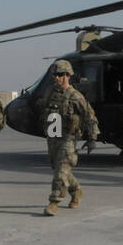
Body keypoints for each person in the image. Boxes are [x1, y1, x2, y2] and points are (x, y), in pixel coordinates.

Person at [41, 60, 99, 216]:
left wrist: (92, 137)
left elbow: (90, 116)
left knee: (61, 172)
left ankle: (54, 202)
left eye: (60, 75)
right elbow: (44, 110)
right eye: (55, 75)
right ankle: (76, 190)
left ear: (68, 75)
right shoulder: (50, 93)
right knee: (58, 169)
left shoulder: (75, 96)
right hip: (53, 136)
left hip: (68, 138)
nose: (56, 78)